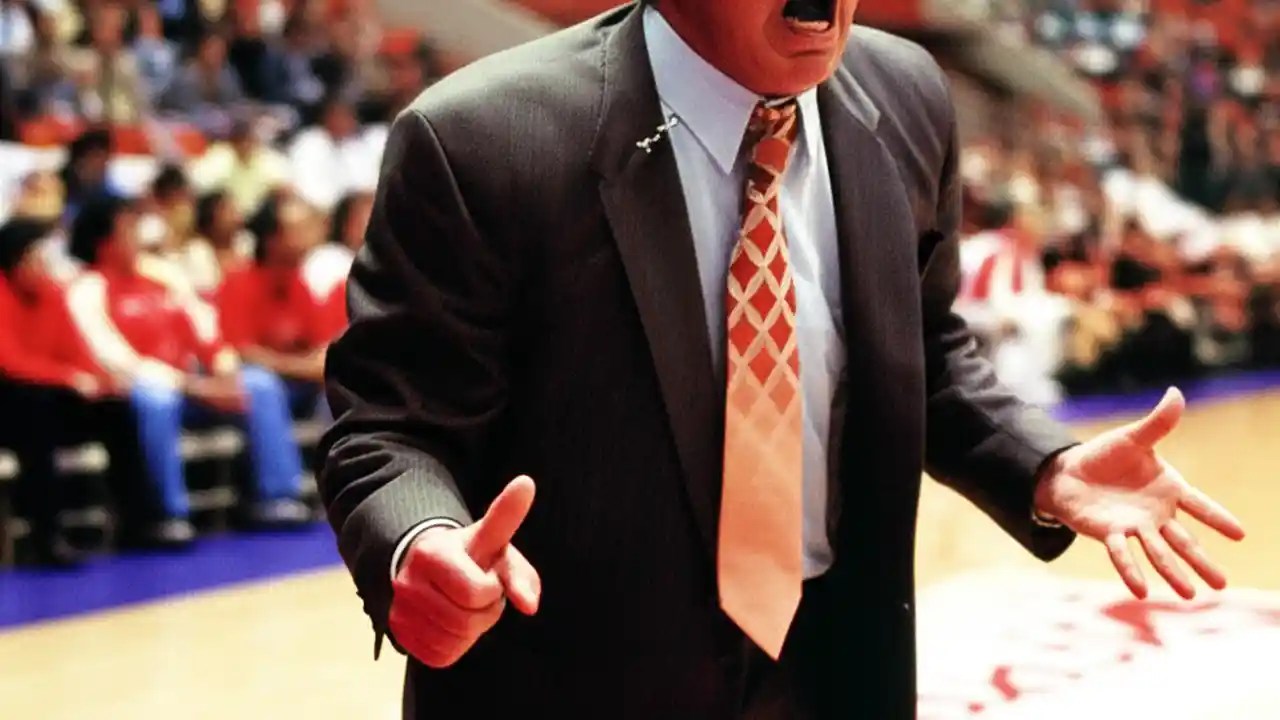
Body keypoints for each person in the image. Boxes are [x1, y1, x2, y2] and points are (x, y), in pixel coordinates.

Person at [320, 2, 1246, 718]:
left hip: (835, 671)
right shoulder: (482, 140)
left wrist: (1042, 462)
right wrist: (419, 540)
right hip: (578, 683)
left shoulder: (909, 95)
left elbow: (924, 350)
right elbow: (390, 429)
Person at [64, 195, 311, 541]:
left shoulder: (160, 275)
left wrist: (222, 369)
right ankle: (167, 514)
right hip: (148, 389)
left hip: (196, 383)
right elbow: (115, 359)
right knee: (155, 399)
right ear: (103, 242)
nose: (138, 236)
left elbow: (203, 325)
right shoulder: (87, 289)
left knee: (260, 384)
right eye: (128, 229)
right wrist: (191, 385)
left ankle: (276, 496)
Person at [0, 217, 143, 563]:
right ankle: (46, 536)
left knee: (117, 407)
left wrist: (101, 380)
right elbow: (11, 363)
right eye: (36, 258)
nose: (44, 266)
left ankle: (137, 522)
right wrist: (70, 378)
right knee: (36, 411)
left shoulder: (53, 293)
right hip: (10, 404)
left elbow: (77, 351)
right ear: (14, 261)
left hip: (50, 396)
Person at [218, 195, 340, 413]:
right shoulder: (239, 282)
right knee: (262, 384)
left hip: (298, 384)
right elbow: (243, 353)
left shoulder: (298, 283)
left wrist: (301, 367)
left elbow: (323, 353)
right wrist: (301, 366)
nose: (308, 237)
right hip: (254, 387)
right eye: (297, 230)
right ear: (272, 240)